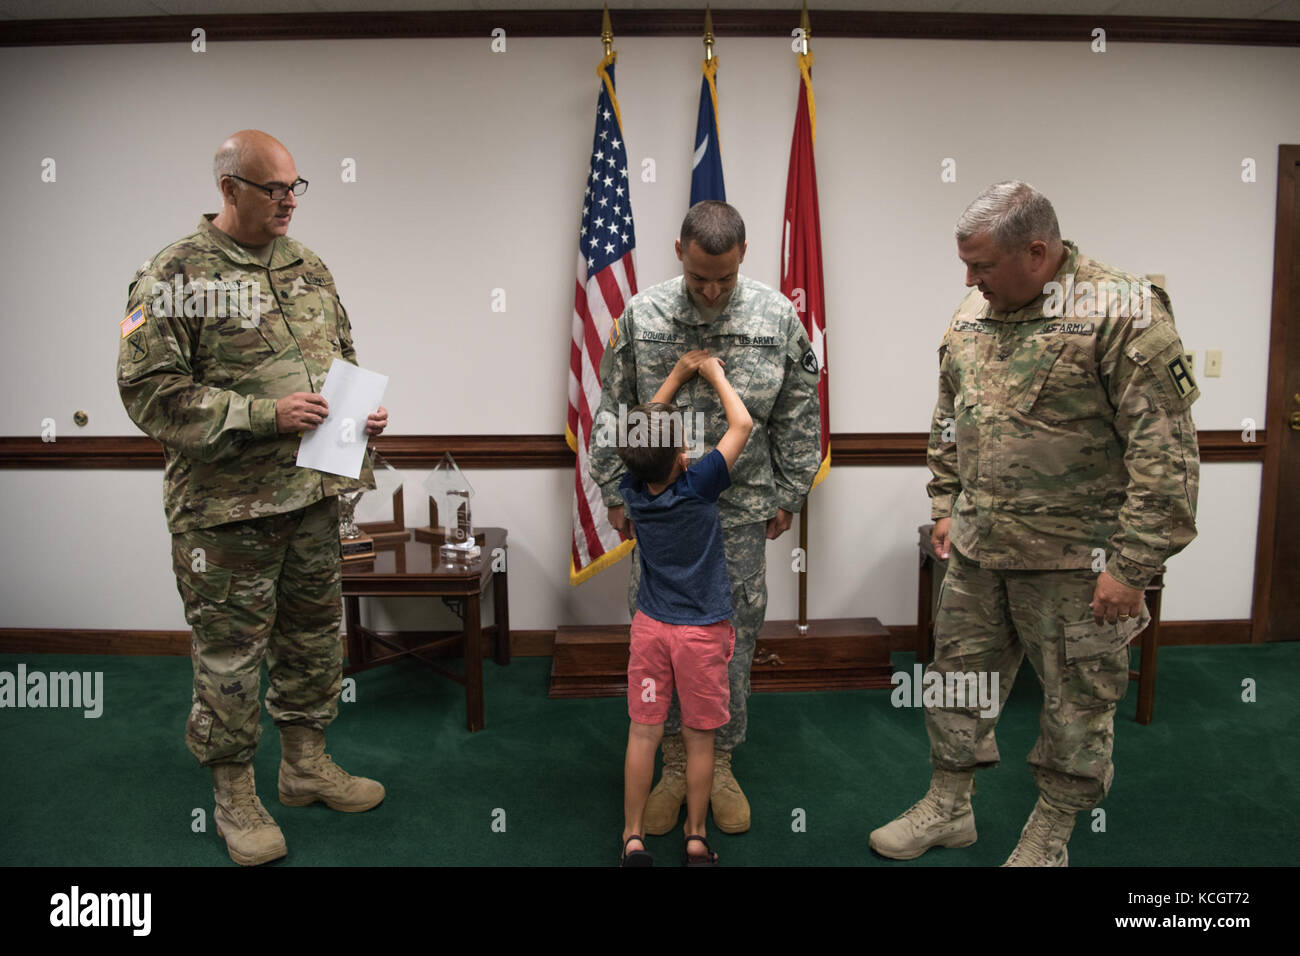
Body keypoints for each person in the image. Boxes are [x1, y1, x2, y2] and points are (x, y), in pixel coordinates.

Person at [869, 181, 1200, 866]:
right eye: (967, 265)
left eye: (983, 265)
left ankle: (1051, 832)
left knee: (1078, 701)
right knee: (957, 680)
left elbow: (1165, 455)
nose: (969, 279)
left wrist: (1131, 568)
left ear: (1039, 251)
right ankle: (948, 804)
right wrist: (944, 501)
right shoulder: (974, 309)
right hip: (978, 550)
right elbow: (950, 413)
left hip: (1076, 564)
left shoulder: (1123, 311)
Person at [117, 130, 389, 866]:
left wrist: (359, 412)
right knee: (231, 660)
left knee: (309, 640)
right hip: (225, 514)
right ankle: (234, 792)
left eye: (297, 187)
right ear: (228, 189)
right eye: (275, 190)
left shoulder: (309, 265)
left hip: (311, 497)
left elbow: (343, 357)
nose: (289, 202)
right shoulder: (173, 273)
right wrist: (261, 415)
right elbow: (147, 394)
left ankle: (304, 765)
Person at [590, 200, 822, 836]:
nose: (712, 291)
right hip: (660, 515)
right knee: (661, 638)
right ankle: (671, 762)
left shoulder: (777, 317)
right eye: (699, 279)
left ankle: (717, 761)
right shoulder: (643, 315)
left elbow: (800, 412)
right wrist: (615, 489)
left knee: (730, 639)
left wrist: (790, 492)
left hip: (742, 510)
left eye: (723, 277)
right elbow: (614, 409)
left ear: (743, 254)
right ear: (678, 253)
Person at [618, 352, 753, 867]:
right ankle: (696, 838)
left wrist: (673, 376)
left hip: (651, 630)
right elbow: (741, 422)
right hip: (700, 637)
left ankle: (633, 839)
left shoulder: (632, 489)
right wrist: (714, 374)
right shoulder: (700, 486)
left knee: (644, 730)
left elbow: (639, 439)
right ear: (681, 456)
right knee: (701, 739)